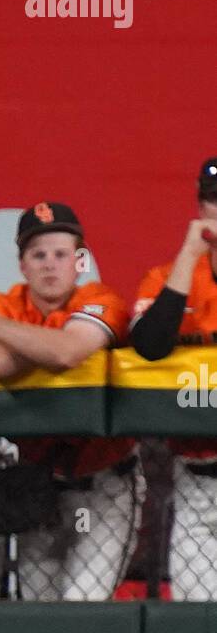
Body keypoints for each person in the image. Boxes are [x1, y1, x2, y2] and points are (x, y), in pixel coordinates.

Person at [0, 203, 142, 600]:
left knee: (82, 603)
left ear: (80, 260)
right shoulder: (7, 302)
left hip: (105, 484)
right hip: (40, 487)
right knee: (41, 608)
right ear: (22, 264)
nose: (49, 265)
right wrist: (41, 345)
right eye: (38, 255)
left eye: (61, 254)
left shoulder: (101, 299)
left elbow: (69, 351)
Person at [131, 158, 217, 600]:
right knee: (198, 618)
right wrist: (189, 254)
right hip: (197, 479)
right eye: (214, 200)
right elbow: (149, 345)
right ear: (201, 207)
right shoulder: (167, 277)